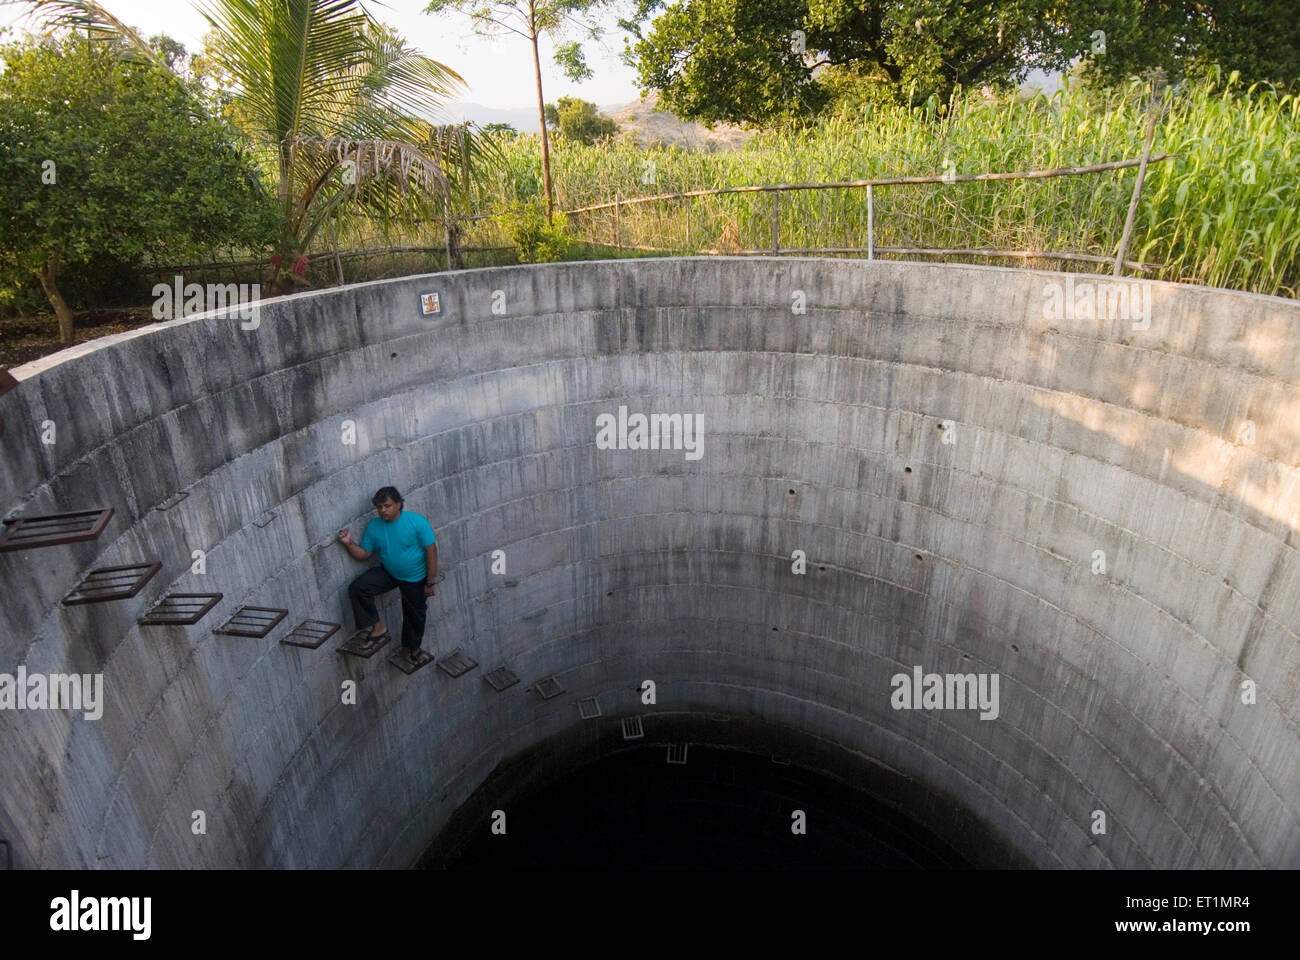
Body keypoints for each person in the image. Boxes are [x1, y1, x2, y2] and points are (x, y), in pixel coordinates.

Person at [339, 487, 437, 664]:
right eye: (379, 507)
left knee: (414, 615)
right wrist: (349, 543)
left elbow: (431, 551)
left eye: (387, 505)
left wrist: (429, 583)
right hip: (389, 573)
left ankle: (412, 649)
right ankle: (378, 627)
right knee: (358, 588)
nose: (382, 510)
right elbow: (364, 554)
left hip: (415, 578)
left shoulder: (417, 522)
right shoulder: (374, 526)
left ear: (399, 504)